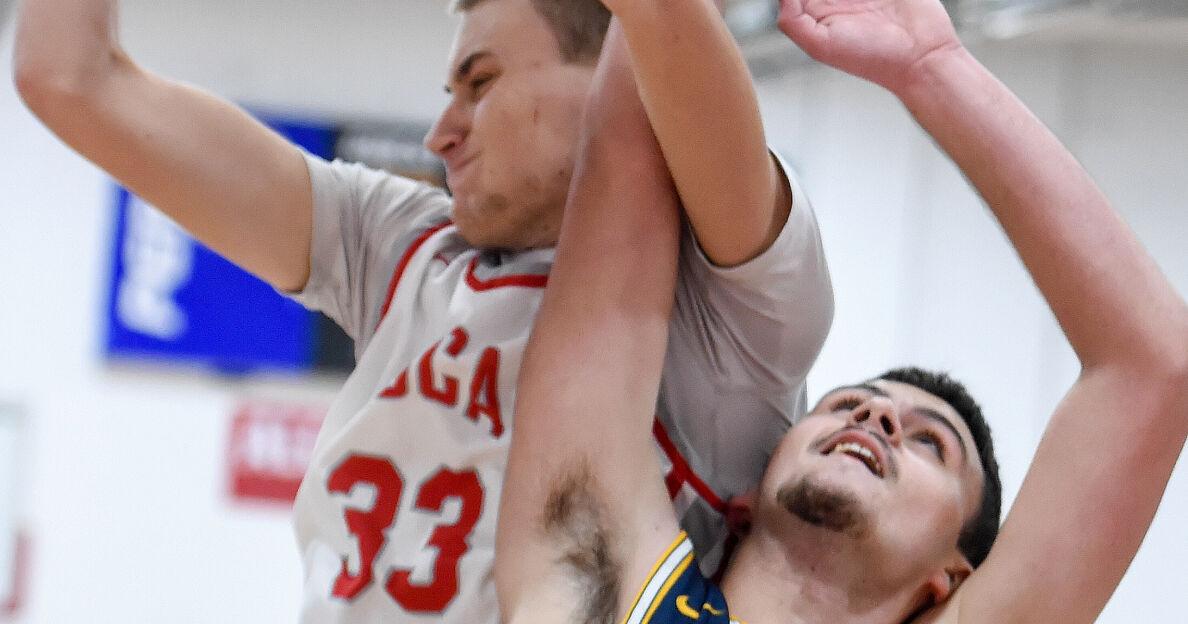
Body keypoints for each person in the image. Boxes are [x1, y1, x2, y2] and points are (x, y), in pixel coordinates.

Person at [11, 0, 833, 621]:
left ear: (611, 85)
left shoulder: (731, 312)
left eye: (480, 84)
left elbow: (667, 24)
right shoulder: (402, 240)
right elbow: (71, 80)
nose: (440, 132)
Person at [496, 1, 1188, 623]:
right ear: (745, 497)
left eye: (929, 444)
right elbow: (628, 127)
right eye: (844, 404)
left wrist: (932, 66)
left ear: (948, 578)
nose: (875, 417)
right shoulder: (600, 578)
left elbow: (1153, 366)